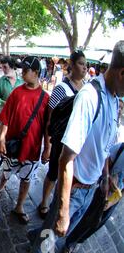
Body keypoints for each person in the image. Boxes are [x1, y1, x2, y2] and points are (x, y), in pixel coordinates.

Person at [25, 40, 123, 253]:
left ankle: (39, 233)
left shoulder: (114, 99)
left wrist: (106, 177)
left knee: (56, 234)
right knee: (45, 245)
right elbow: (66, 159)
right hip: (74, 190)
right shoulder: (90, 97)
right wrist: (63, 210)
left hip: (90, 189)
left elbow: (104, 147)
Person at [0, 56, 50, 224]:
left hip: (31, 148)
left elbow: (47, 127)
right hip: (12, 145)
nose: (22, 73)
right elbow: (5, 118)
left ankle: (19, 206)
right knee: (6, 171)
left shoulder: (45, 98)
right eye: (22, 70)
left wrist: (47, 148)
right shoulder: (16, 93)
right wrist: (1, 139)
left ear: (36, 73)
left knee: (27, 178)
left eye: (26, 71)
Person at [37, 51, 88, 219]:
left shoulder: (88, 89)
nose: (85, 67)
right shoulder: (61, 88)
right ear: (71, 65)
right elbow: (49, 118)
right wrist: (48, 146)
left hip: (77, 142)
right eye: (81, 63)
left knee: (67, 177)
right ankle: (44, 202)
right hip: (60, 141)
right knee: (53, 173)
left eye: (85, 64)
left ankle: (57, 204)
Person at [61, 141, 123, 253]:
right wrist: (108, 178)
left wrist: (111, 202)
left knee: (96, 223)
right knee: (84, 216)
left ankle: (75, 241)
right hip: (100, 189)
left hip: (113, 199)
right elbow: (106, 161)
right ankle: (66, 235)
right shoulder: (121, 148)